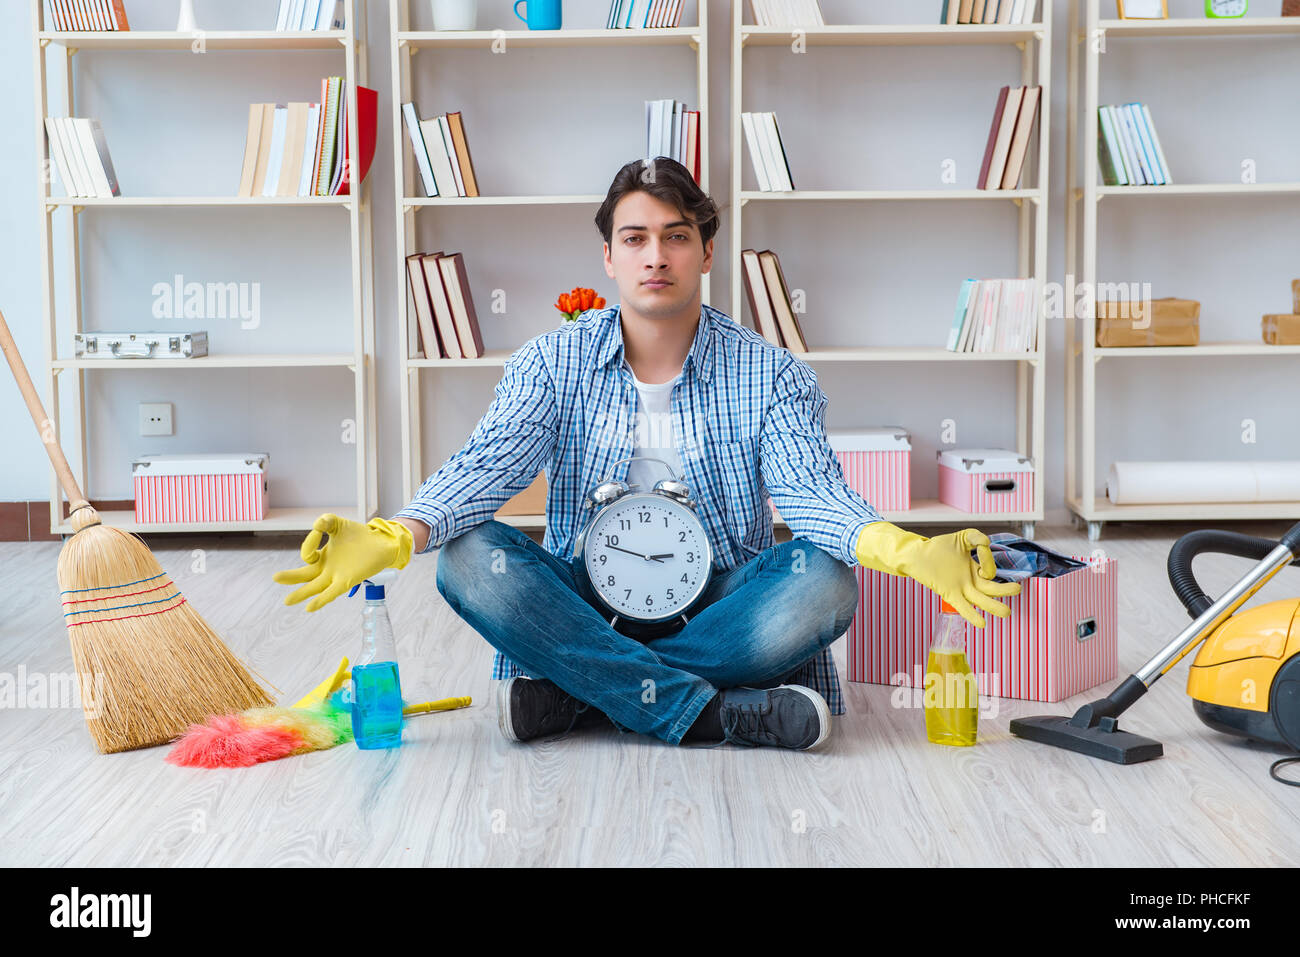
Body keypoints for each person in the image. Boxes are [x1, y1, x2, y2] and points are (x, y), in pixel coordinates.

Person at [273, 156, 1020, 752]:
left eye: (675, 235)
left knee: (823, 578)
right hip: (584, 601)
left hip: (720, 607)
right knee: (469, 558)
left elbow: (811, 494)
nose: (654, 255)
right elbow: (488, 465)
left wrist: (899, 547)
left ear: (705, 252)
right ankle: (717, 715)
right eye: (635, 238)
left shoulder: (771, 372)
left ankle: (578, 694)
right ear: (608, 256)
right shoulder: (551, 361)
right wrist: (396, 532)